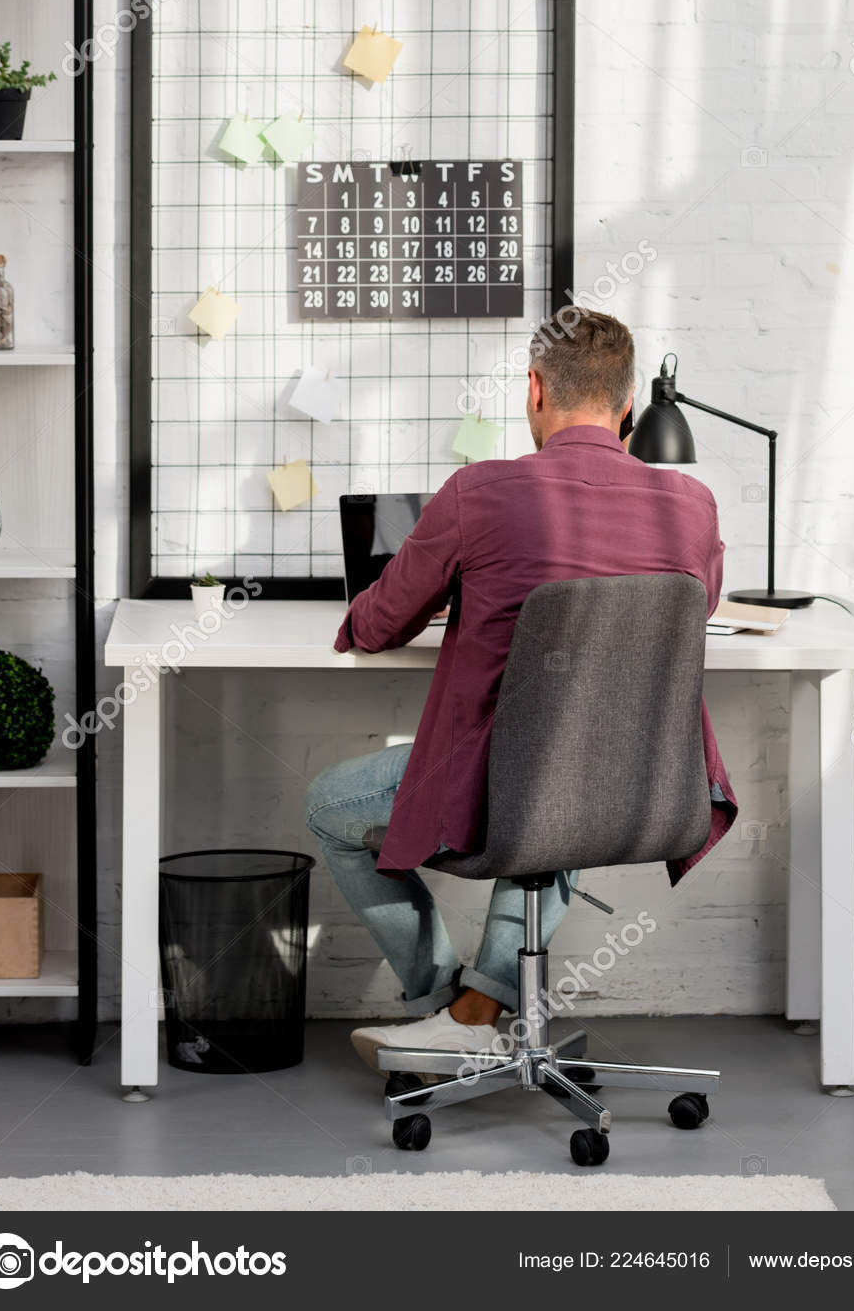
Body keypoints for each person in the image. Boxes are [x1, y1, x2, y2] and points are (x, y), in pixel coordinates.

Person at [306, 308, 735, 1071]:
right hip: (641, 785)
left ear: (534, 388)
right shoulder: (693, 506)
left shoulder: (478, 492)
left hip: (510, 788)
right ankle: (478, 1008)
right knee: (571, 758)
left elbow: (375, 627)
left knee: (329, 805)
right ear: (629, 402)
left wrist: (456, 593)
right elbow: (685, 613)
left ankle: (442, 1005)